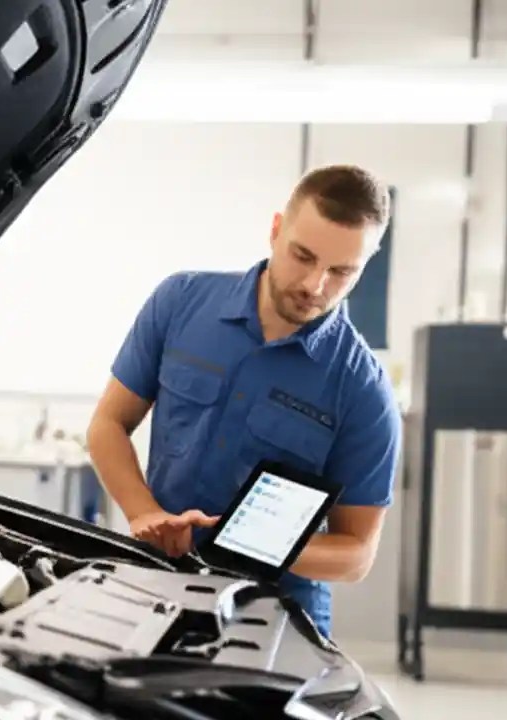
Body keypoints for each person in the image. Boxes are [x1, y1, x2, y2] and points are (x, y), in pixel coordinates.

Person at [86, 163, 401, 638]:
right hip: (159, 589)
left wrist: (260, 545)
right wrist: (145, 514)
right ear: (276, 231)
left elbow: (356, 554)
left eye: (341, 272)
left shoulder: (364, 389)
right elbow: (107, 425)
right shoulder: (180, 301)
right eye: (303, 256)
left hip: (277, 620)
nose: (314, 286)